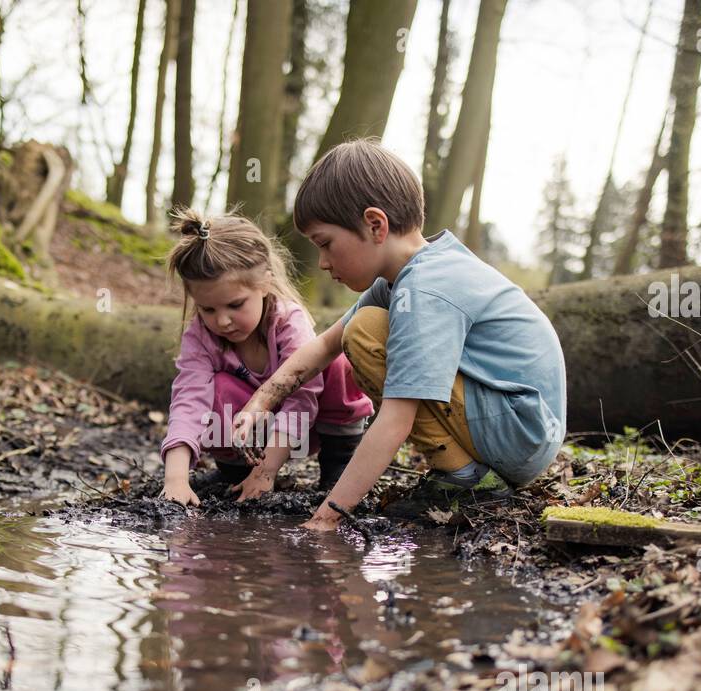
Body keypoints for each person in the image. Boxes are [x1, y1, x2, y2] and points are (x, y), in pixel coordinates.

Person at [232, 138, 567, 531]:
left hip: (518, 432)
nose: (322, 262)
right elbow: (324, 345)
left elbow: (395, 420)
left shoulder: (424, 288)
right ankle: (467, 474)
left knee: (365, 333)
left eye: (326, 244)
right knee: (360, 329)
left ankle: (468, 482)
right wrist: (261, 401)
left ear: (375, 225)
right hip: (518, 427)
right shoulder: (406, 275)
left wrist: (326, 519)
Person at [159, 209, 372, 506]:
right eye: (208, 309)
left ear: (265, 284)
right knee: (217, 386)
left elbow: (302, 397)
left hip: (308, 428)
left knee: (334, 362)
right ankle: (234, 473)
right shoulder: (200, 336)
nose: (222, 321)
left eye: (235, 305)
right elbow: (188, 401)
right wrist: (176, 480)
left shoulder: (287, 321)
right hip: (244, 441)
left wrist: (266, 471)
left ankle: (337, 468)